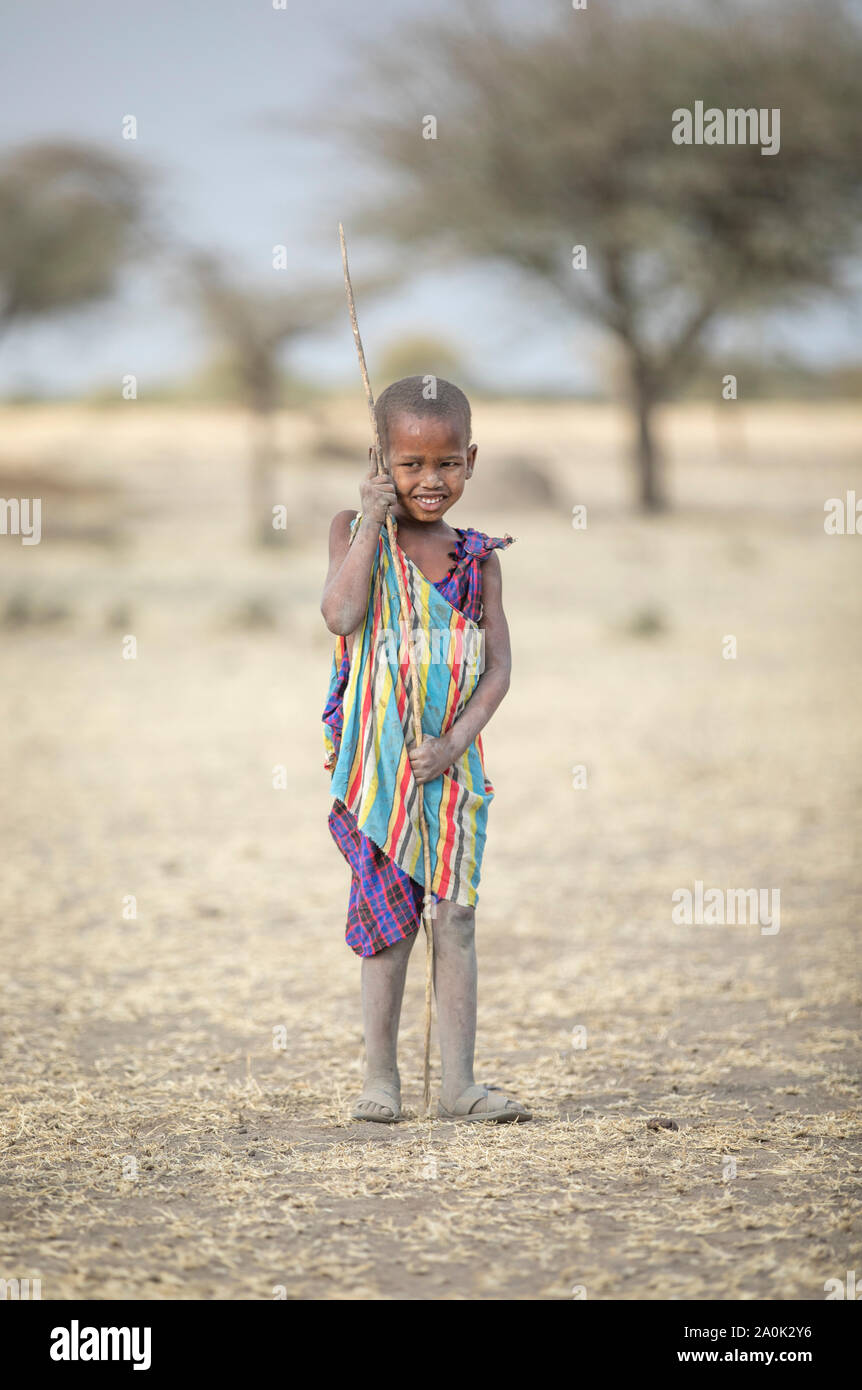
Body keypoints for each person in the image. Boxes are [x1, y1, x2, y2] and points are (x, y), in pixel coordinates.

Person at [320, 376, 531, 1124]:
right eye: (410, 465)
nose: (430, 481)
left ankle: (460, 1085)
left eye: (447, 464)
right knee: (389, 925)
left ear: (471, 461)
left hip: (451, 769)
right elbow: (341, 616)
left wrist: (454, 744)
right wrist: (373, 520)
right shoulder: (356, 528)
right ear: (382, 461)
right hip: (380, 771)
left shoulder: (477, 559)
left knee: (457, 919)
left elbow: (500, 668)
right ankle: (381, 1080)